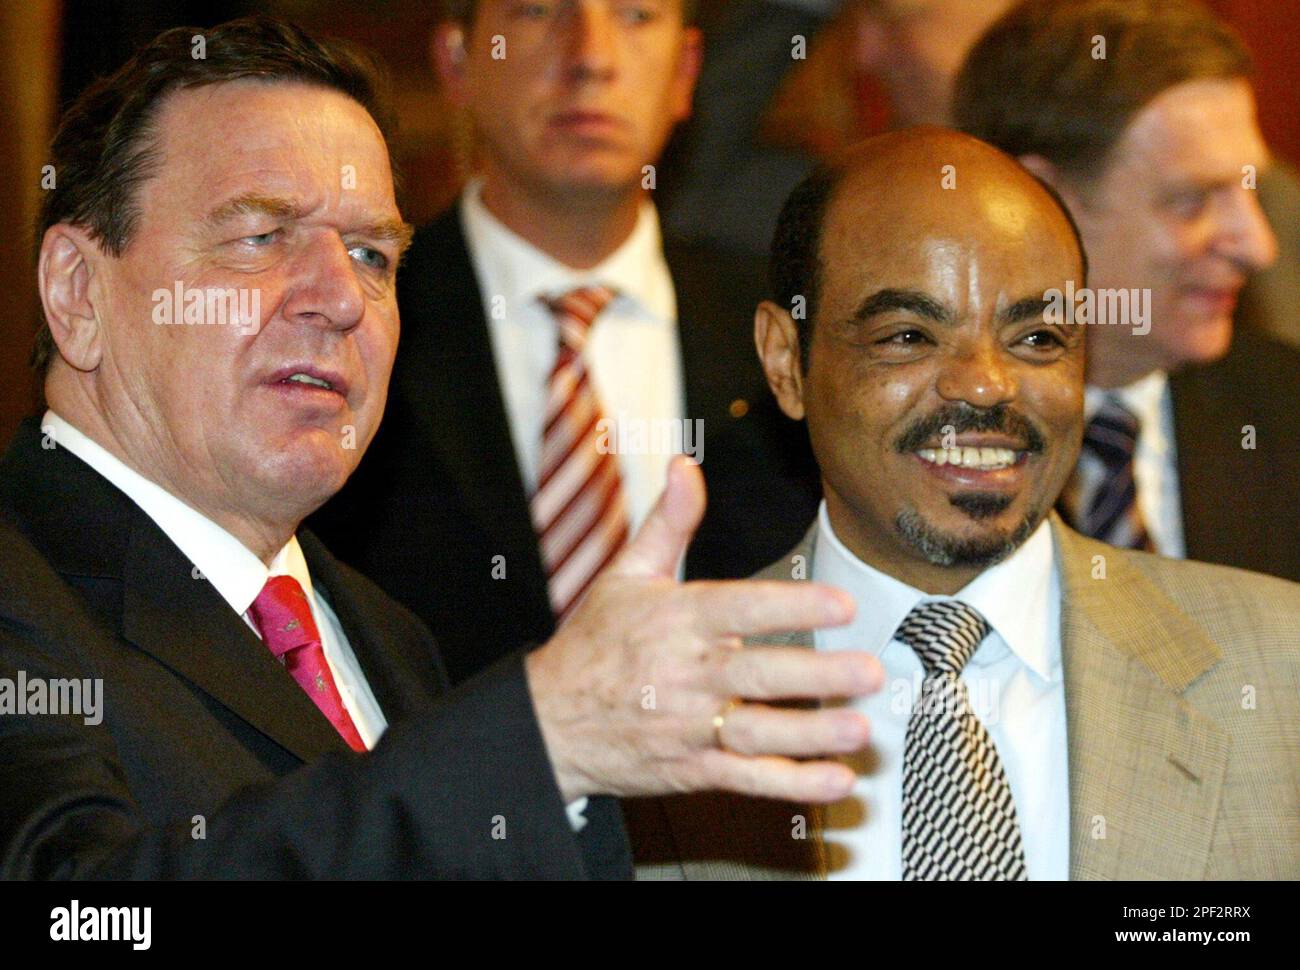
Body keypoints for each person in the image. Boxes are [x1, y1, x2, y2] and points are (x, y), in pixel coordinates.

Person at [0, 16, 885, 880]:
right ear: (78, 293)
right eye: (261, 236)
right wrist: (539, 740)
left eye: (372, 255)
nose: (339, 297)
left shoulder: (389, 639)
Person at [630, 128, 1299, 880]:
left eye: (1038, 337)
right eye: (910, 335)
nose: (985, 385)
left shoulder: (1280, 672)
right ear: (786, 362)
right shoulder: (655, 711)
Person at [310, 0, 820, 685]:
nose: (590, 58)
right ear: (459, 63)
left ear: (685, 72)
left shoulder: (783, 334)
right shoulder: (353, 322)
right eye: (538, 11)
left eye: (636, 16)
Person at [953, 0, 1300, 580]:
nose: (1258, 247)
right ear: (1038, 201)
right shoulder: (901, 442)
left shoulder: (1284, 412)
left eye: (1250, 193)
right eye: (1193, 202)